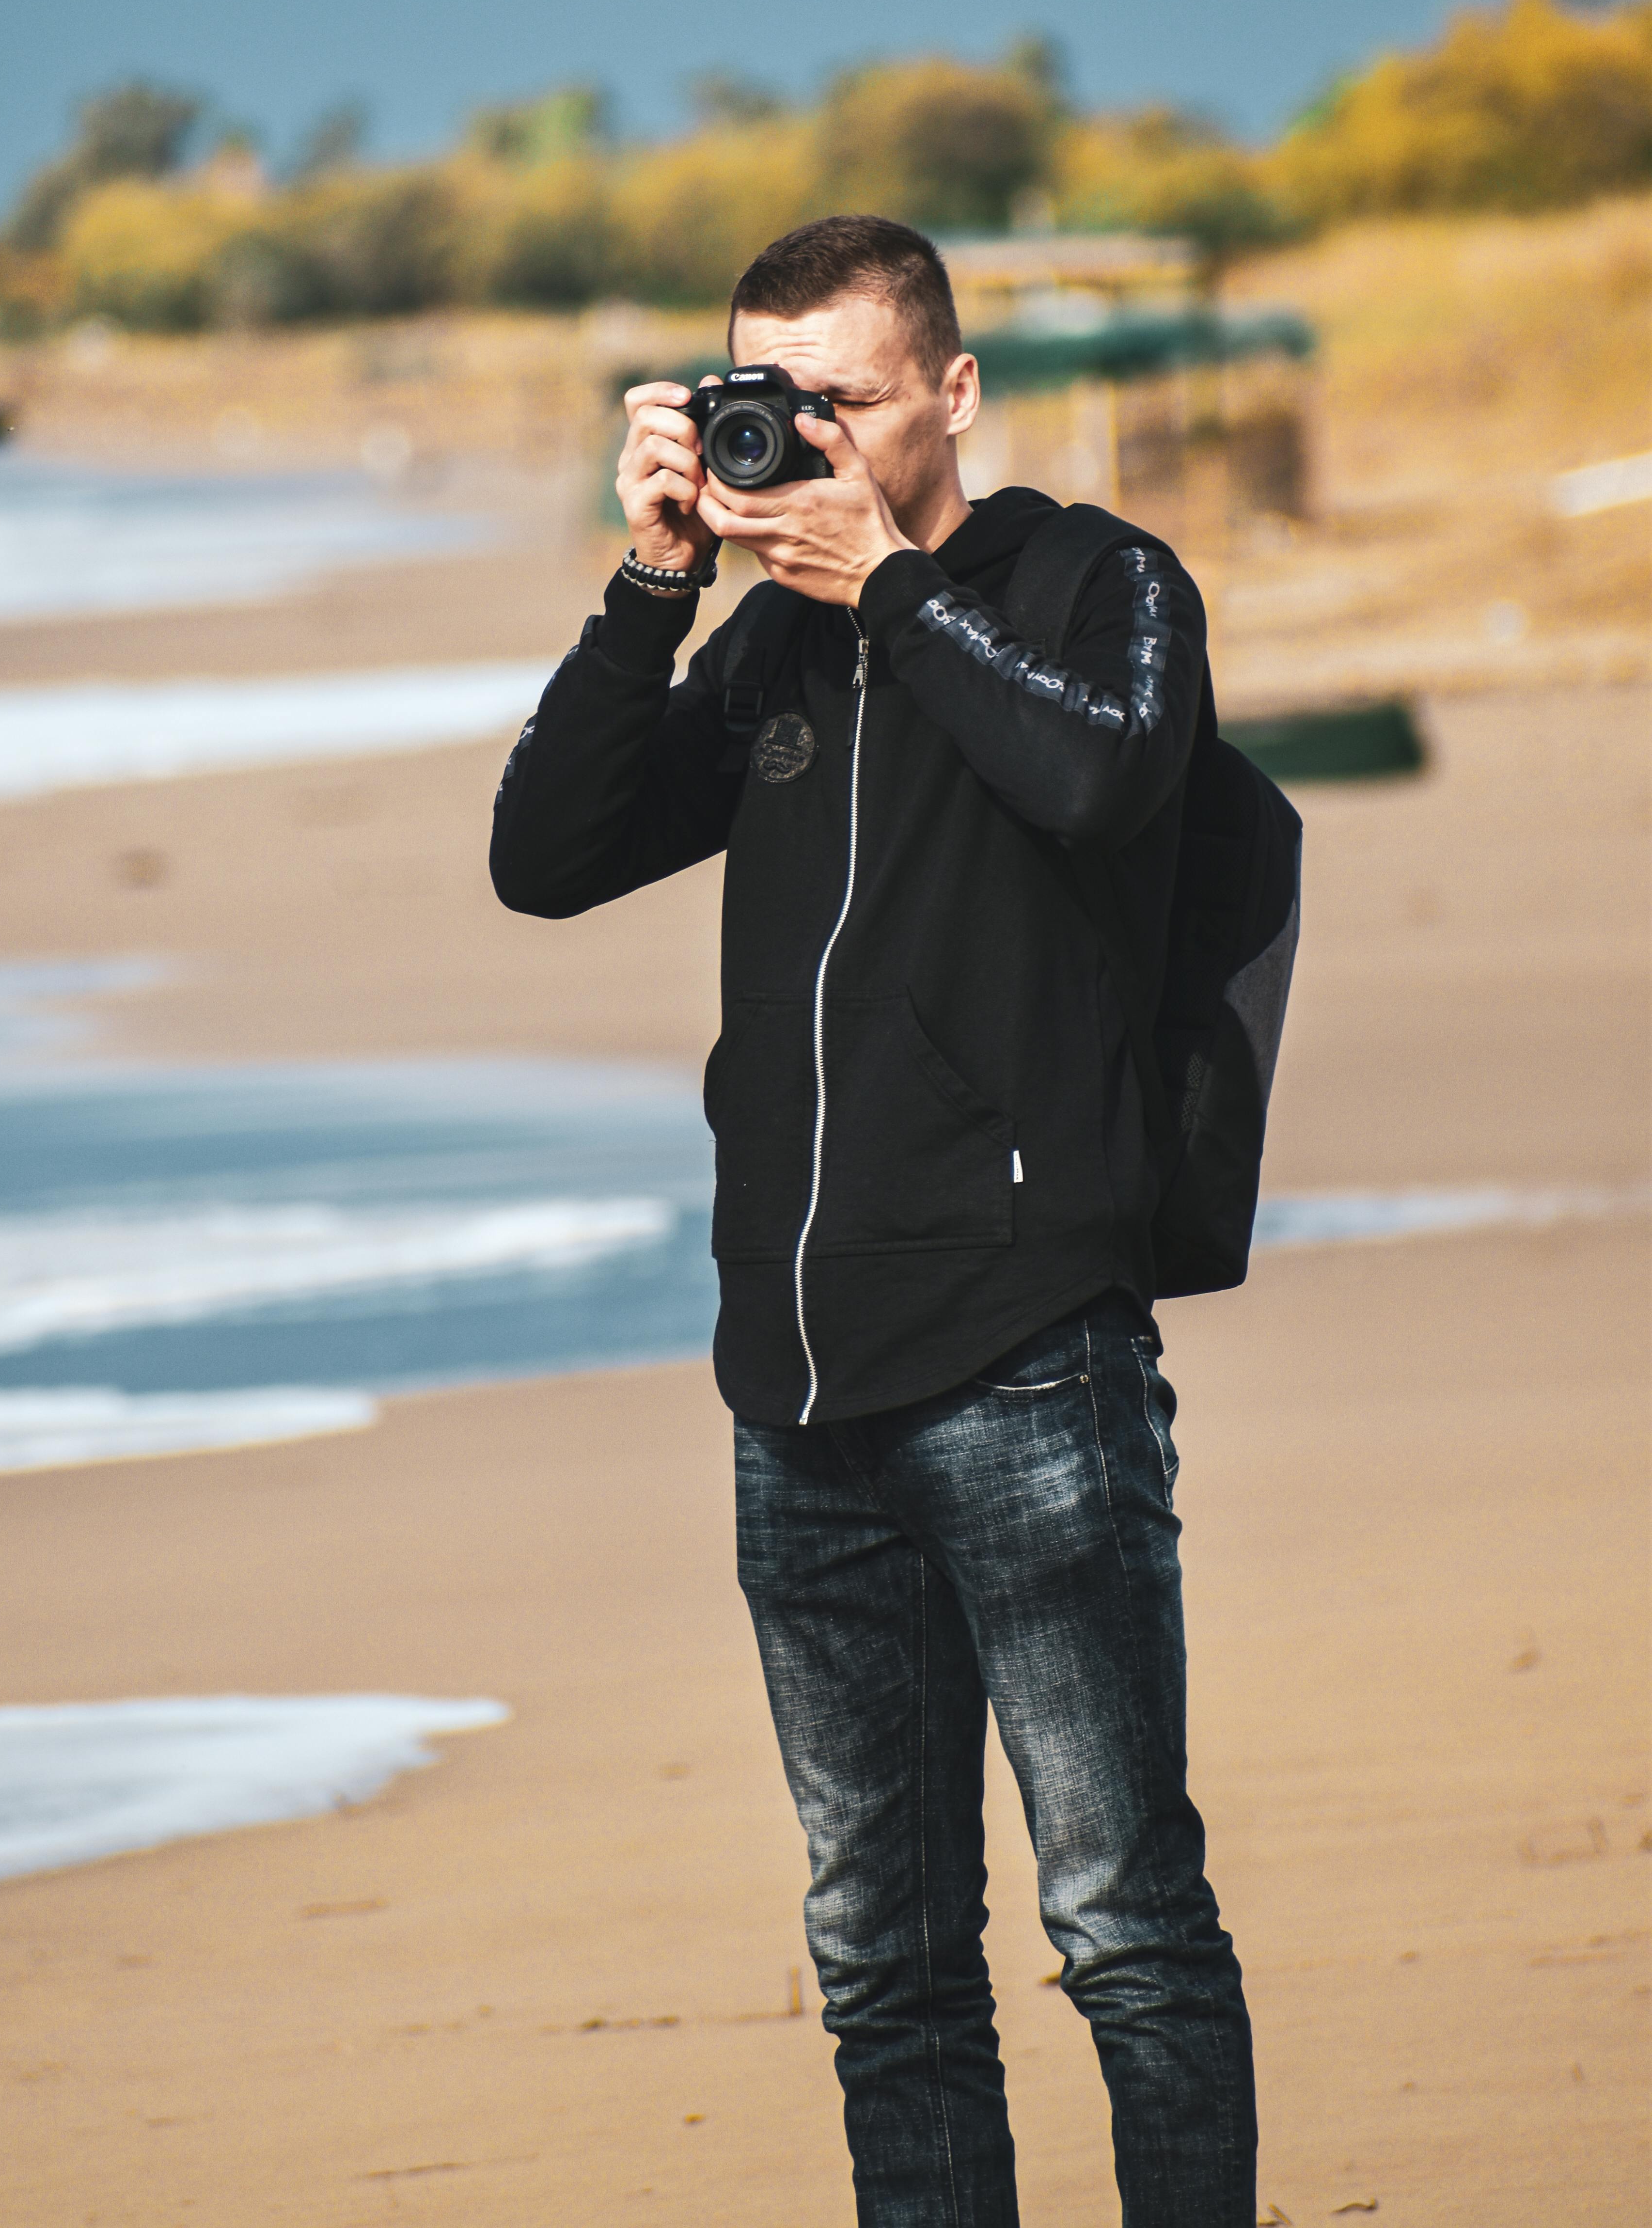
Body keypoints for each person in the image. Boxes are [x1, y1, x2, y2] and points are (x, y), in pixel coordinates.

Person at [488, 212, 1256, 2228]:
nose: (803, 439)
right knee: (883, 1963)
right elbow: (546, 857)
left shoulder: (1100, 583)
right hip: (795, 1383)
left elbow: (1103, 784)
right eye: (768, 400)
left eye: (842, 400)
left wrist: (895, 590)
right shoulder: (768, 639)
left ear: (955, 391)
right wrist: (655, 581)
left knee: (1123, 1922)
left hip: (1027, 1359)